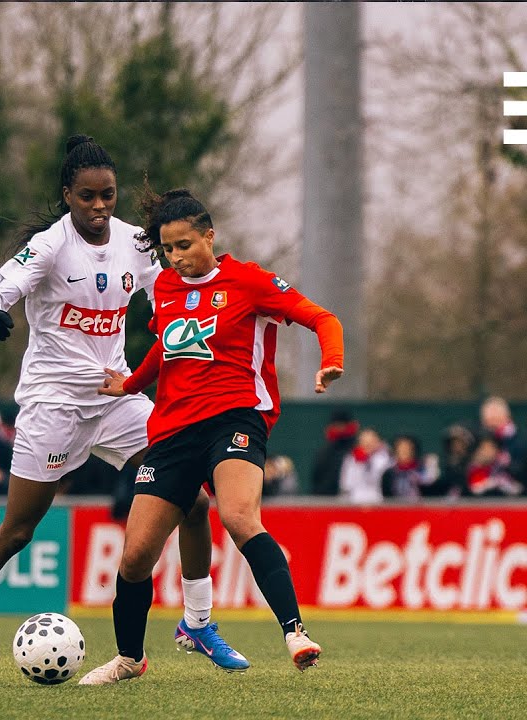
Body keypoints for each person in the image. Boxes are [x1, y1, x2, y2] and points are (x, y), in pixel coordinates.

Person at [0, 136, 244, 685]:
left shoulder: (135, 243)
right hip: (52, 404)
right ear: (67, 195)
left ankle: (196, 623)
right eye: (88, 197)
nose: (99, 207)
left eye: (109, 196)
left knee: (192, 500)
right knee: (18, 530)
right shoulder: (49, 247)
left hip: (116, 399)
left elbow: (168, 288)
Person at [87, 185, 344, 684]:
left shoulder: (249, 282)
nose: (176, 258)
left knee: (239, 515)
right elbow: (168, 349)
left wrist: (331, 362)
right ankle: (128, 659)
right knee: (136, 555)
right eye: (167, 249)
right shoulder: (163, 288)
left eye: (184, 245)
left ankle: (294, 631)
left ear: (210, 236)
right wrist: (131, 385)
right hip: (173, 430)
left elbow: (322, 318)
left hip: (235, 418)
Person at [309, 408, 358, 496]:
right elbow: (317, 478)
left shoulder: (355, 449)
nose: (339, 428)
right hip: (326, 498)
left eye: (341, 424)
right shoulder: (324, 451)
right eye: (336, 424)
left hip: (351, 499)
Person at [338, 427, 390, 505]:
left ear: (378, 442)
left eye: (371, 441)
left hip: (379, 503)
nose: (367, 445)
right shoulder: (351, 460)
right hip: (355, 503)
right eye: (364, 442)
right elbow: (345, 485)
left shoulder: (386, 460)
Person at [381, 434, 439, 500]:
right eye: (400, 448)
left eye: (407, 448)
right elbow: (387, 497)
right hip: (396, 508)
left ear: (413, 450)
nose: (404, 451)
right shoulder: (389, 473)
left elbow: (431, 491)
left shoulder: (423, 470)